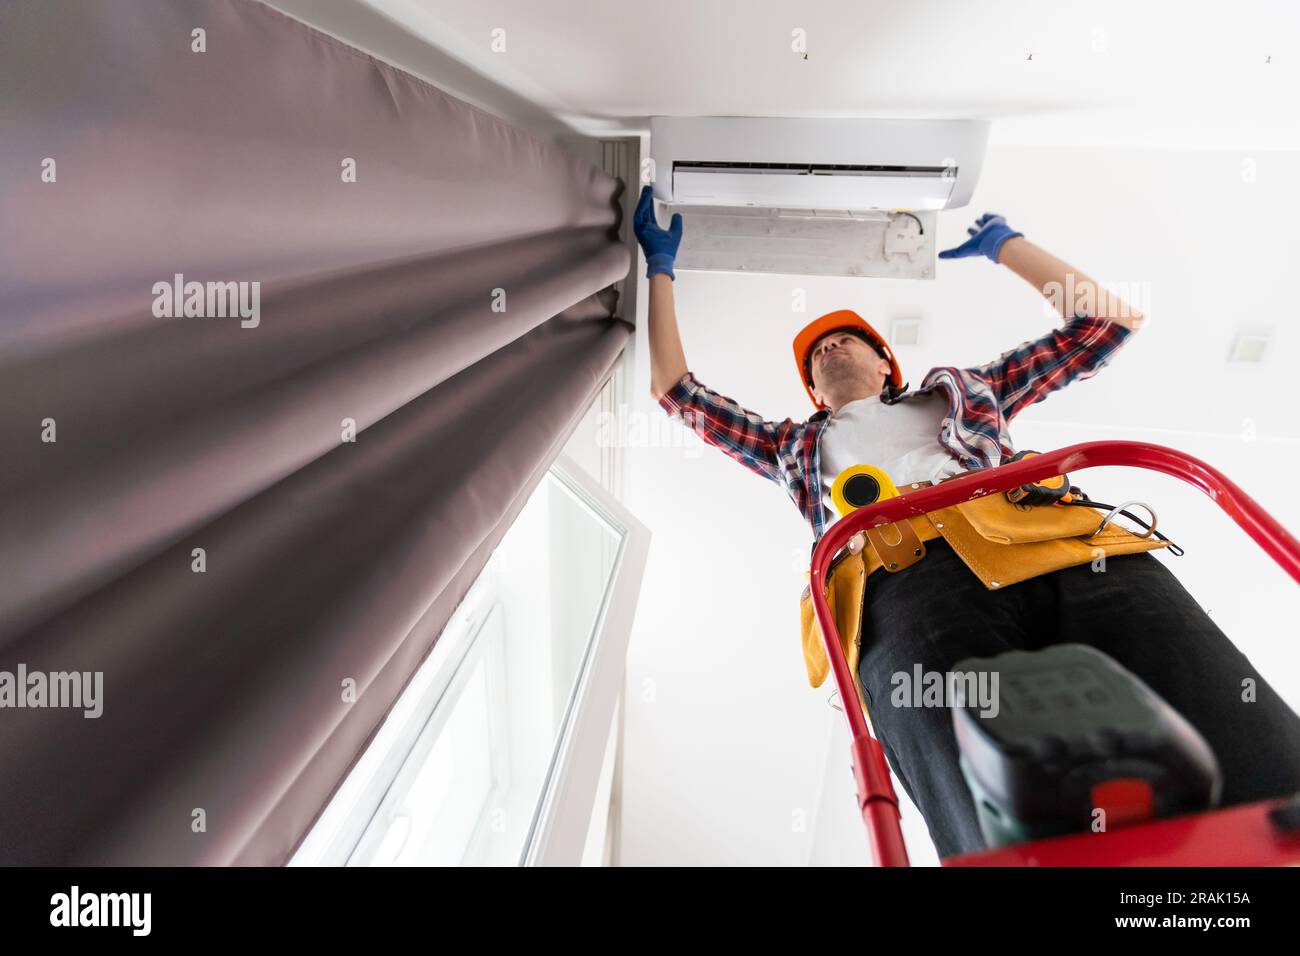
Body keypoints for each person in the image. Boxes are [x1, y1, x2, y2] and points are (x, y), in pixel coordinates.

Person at [636, 184, 1300, 858]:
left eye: (846, 339)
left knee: (1199, 683)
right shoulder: (792, 447)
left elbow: (1107, 325)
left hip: (1061, 544)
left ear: (886, 364)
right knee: (960, 752)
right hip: (901, 578)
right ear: (811, 389)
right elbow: (677, 393)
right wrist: (659, 271)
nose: (830, 348)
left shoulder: (963, 390)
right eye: (817, 351)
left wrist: (1004, 246)